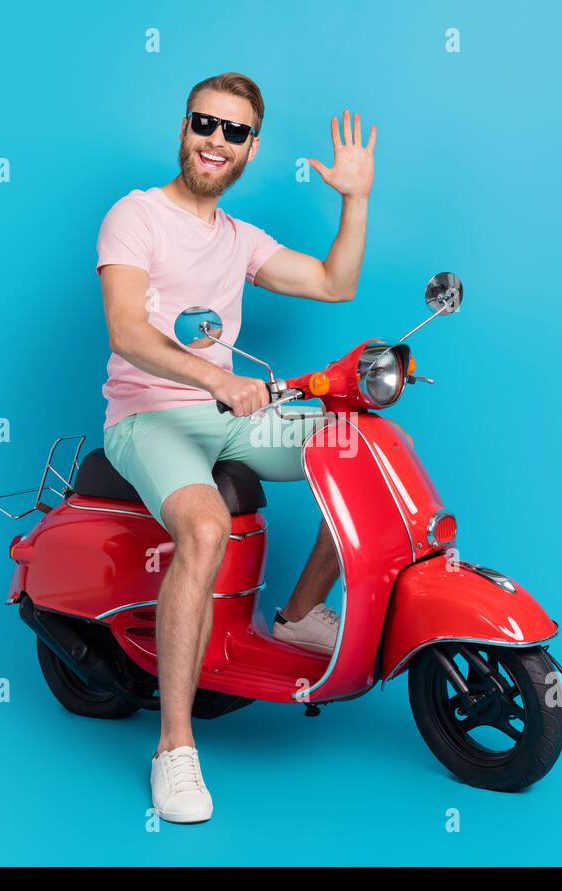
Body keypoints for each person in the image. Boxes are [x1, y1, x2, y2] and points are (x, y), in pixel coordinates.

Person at [95, 72, 376, 823]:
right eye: (203, 124)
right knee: (206, 527)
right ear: (183, 129)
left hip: (231, 414)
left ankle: (299, 612)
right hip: (148, 417)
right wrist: (211, 381)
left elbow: (334, 284)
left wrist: (354, 199)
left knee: (357, 454)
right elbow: (126, 329)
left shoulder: (239, 240)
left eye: (233, 131)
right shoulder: (136, 214)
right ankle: (175, 749)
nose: (214, 141)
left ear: (251, 148)